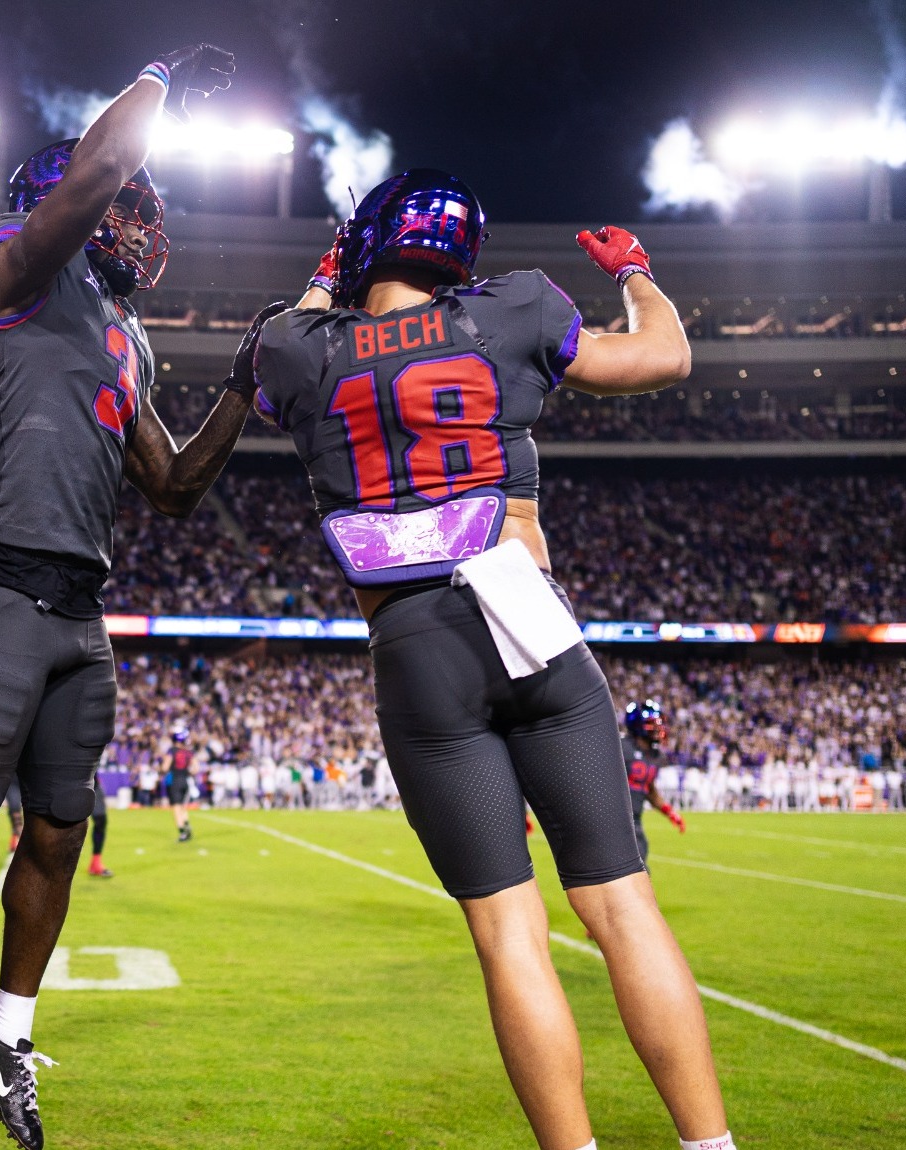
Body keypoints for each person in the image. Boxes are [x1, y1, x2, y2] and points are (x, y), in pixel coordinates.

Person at [251, 168, 733, 1149]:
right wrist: (636, 273)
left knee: (511, 934)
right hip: (531, 616)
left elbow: (290, 329)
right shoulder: (514, 307)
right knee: (623, 908)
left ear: (367, 245)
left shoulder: (298, 347)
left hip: (418, 642)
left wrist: (328, 269)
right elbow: (667, 355)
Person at [0, 43, 256, 1150]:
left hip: (81, 609)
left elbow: (172, 485)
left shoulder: (131, 338)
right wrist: (159, 74)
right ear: (66, 200)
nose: (141, 222)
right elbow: (101, 171)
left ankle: (6, 1031)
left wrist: (248, 389)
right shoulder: (13, 270)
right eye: (128, 206)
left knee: (60, 835)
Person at [622, 700, 686, 864]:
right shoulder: (621, 747)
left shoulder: (656, 756)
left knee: (641, 857)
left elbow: (648, 787)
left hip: (634, 819)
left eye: (659, 724)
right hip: (613, 818)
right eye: (651, 724)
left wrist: (669, 812)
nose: (658, 729)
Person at [164, 726, 195, 842]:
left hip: (174, 780)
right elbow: (195, 768)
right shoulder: (188, 752)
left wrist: (161, 769)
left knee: (176, 807)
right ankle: (187, 826)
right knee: (182, 806)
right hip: (185, 780)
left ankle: (183, 832)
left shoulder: (171, 751)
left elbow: (165, 766)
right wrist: (186, 772)